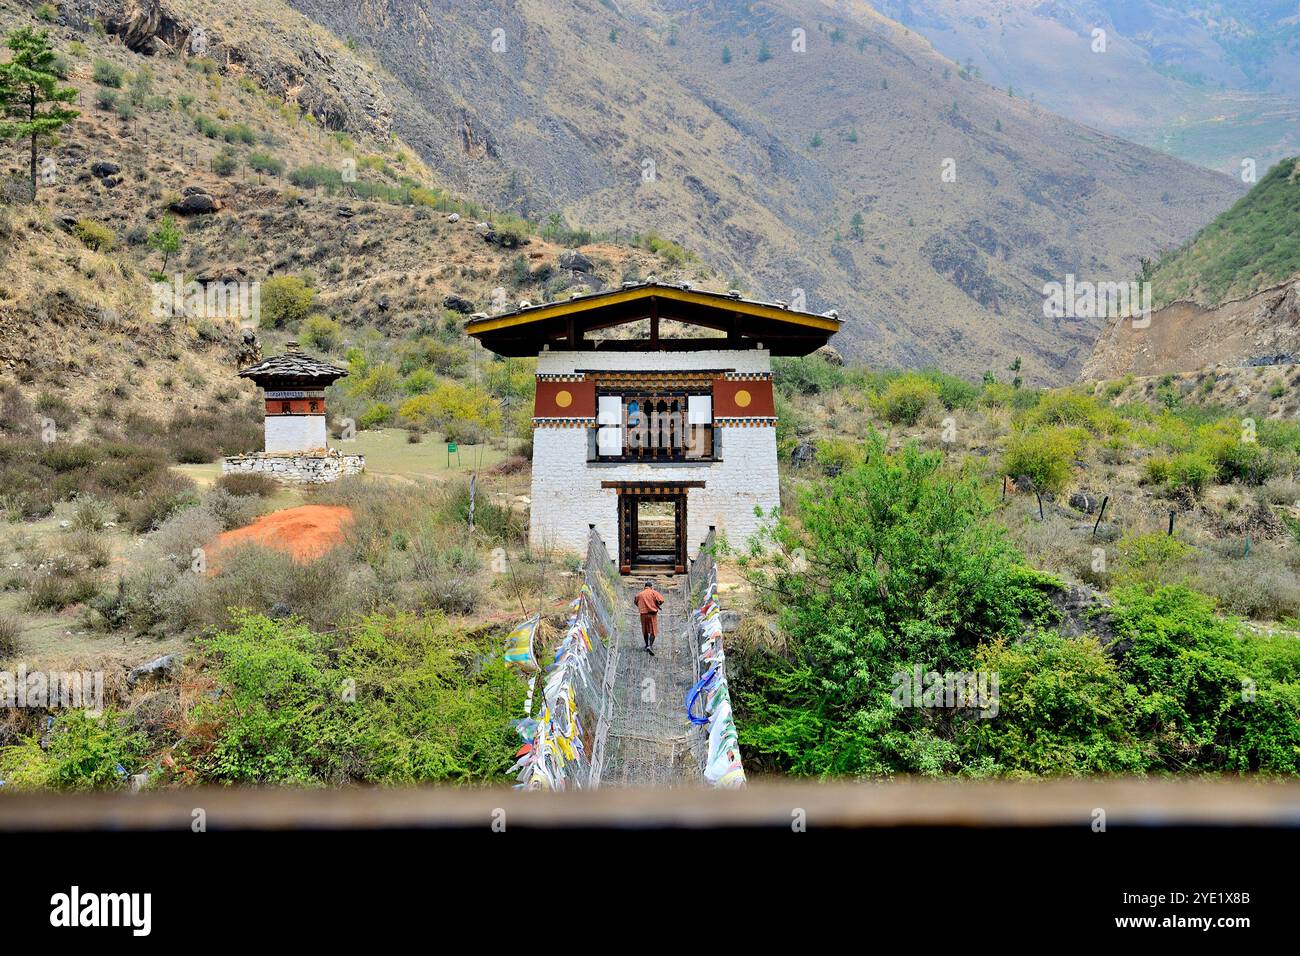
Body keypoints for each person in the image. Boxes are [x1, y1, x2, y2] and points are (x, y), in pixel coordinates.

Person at [634, 580, 665, 654]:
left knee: (645, 630)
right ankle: (650, 646)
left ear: (644, 587)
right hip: (652, 614)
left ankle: (646, 645)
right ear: (651, 587)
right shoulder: (653, 592)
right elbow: (661, 600)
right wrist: (657, 604)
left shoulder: (640, 594)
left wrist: (641, 606)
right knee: (653, 630)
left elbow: (635, 601)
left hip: (643, 614)